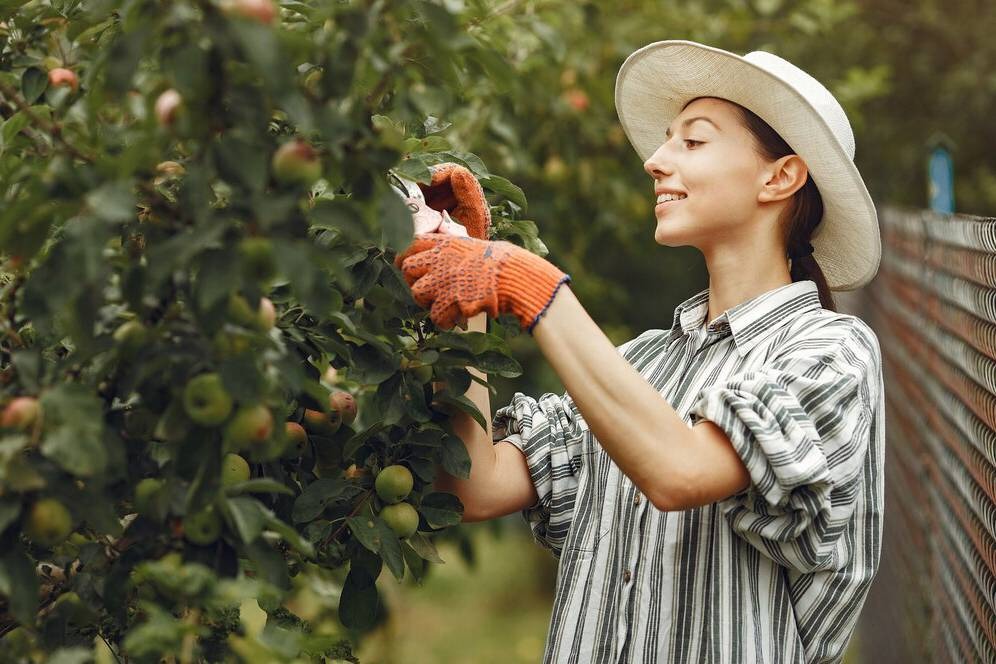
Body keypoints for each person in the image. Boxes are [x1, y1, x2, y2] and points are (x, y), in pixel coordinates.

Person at [395, 40, 885, 664]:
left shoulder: (832, 353)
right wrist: (468, 291)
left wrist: (530, 284)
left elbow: (682, 473)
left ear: (780, 177)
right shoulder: (642, 364)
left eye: (693, 141)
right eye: (666, 141)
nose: (655, 161)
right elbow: (475, 487)